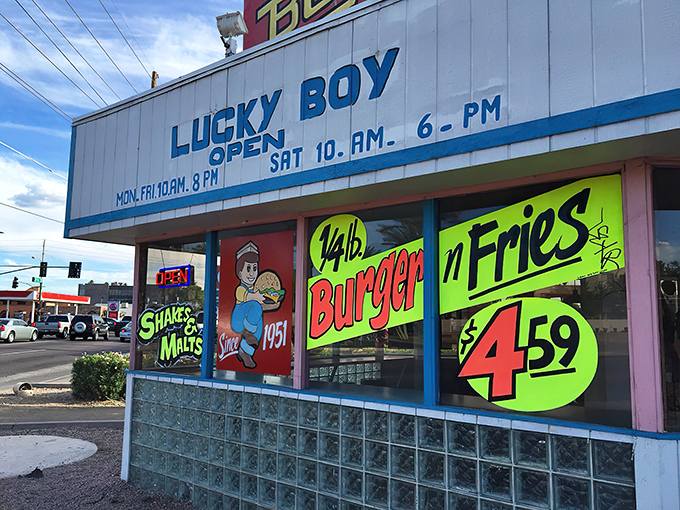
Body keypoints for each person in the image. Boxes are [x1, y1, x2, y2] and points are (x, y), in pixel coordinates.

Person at [231, 241, 265, 368]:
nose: (252, 273)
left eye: (255, 268)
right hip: (238, 320)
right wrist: (256, 297)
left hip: (247, 324)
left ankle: (245, 353)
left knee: (259, 324)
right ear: (240, 273)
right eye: (248, 268)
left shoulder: (255, 289)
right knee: (256, 306)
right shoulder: (241, 288)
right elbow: (244, 296)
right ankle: (247, 333)